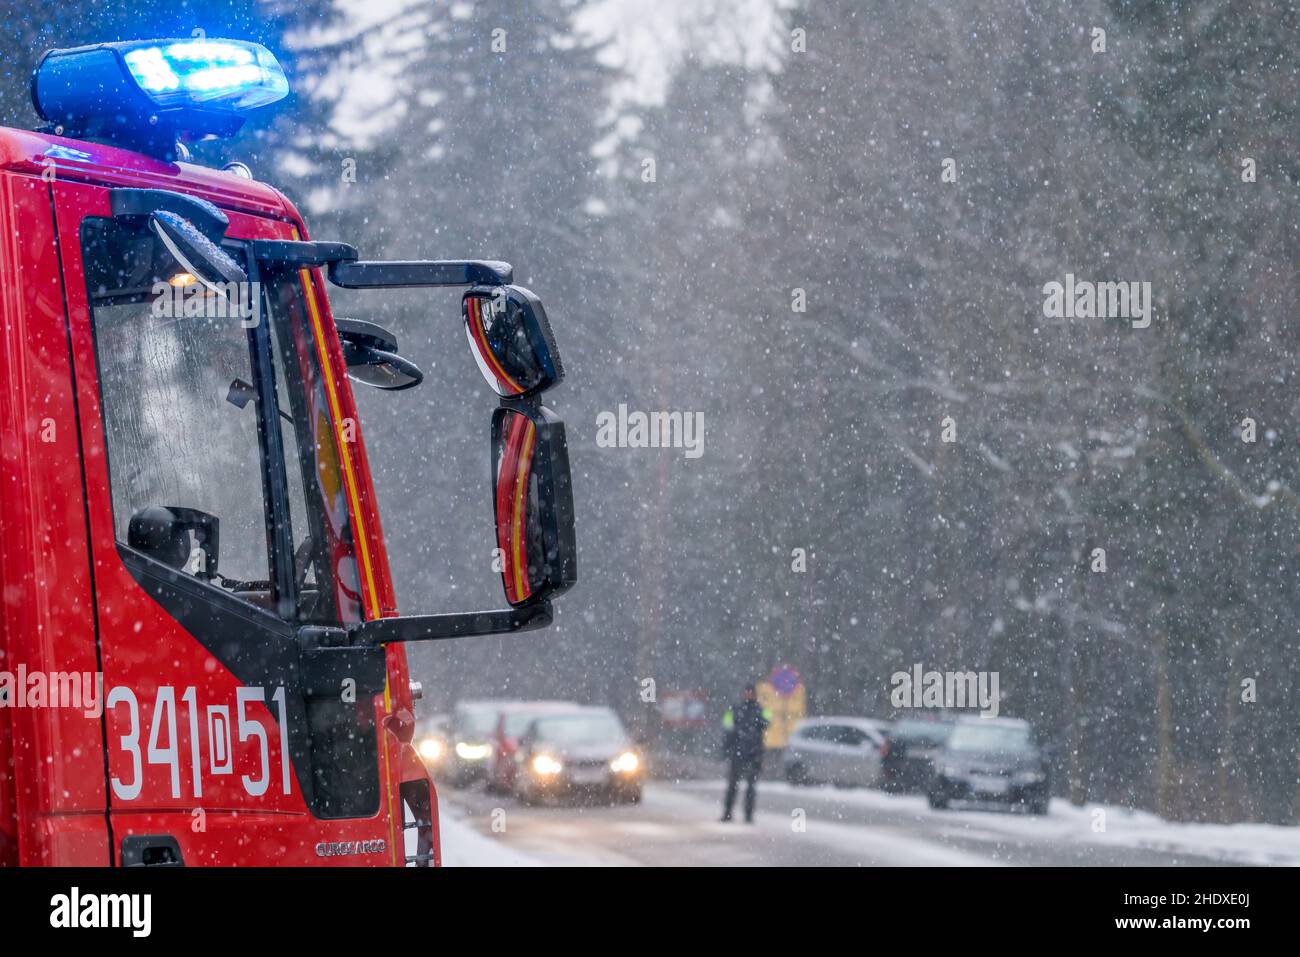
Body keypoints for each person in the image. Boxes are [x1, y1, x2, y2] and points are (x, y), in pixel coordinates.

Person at [720, 683, 771, 823]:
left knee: (748, 787)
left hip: (751, 753)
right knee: (735, 786)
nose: (748, 695)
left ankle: (746, 815)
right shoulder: (738, 710)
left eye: (750, 693)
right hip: (743, 752)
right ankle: (729, 813)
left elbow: (767, 723)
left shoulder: (753, 710)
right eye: (747, 692)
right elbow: (728, 728)